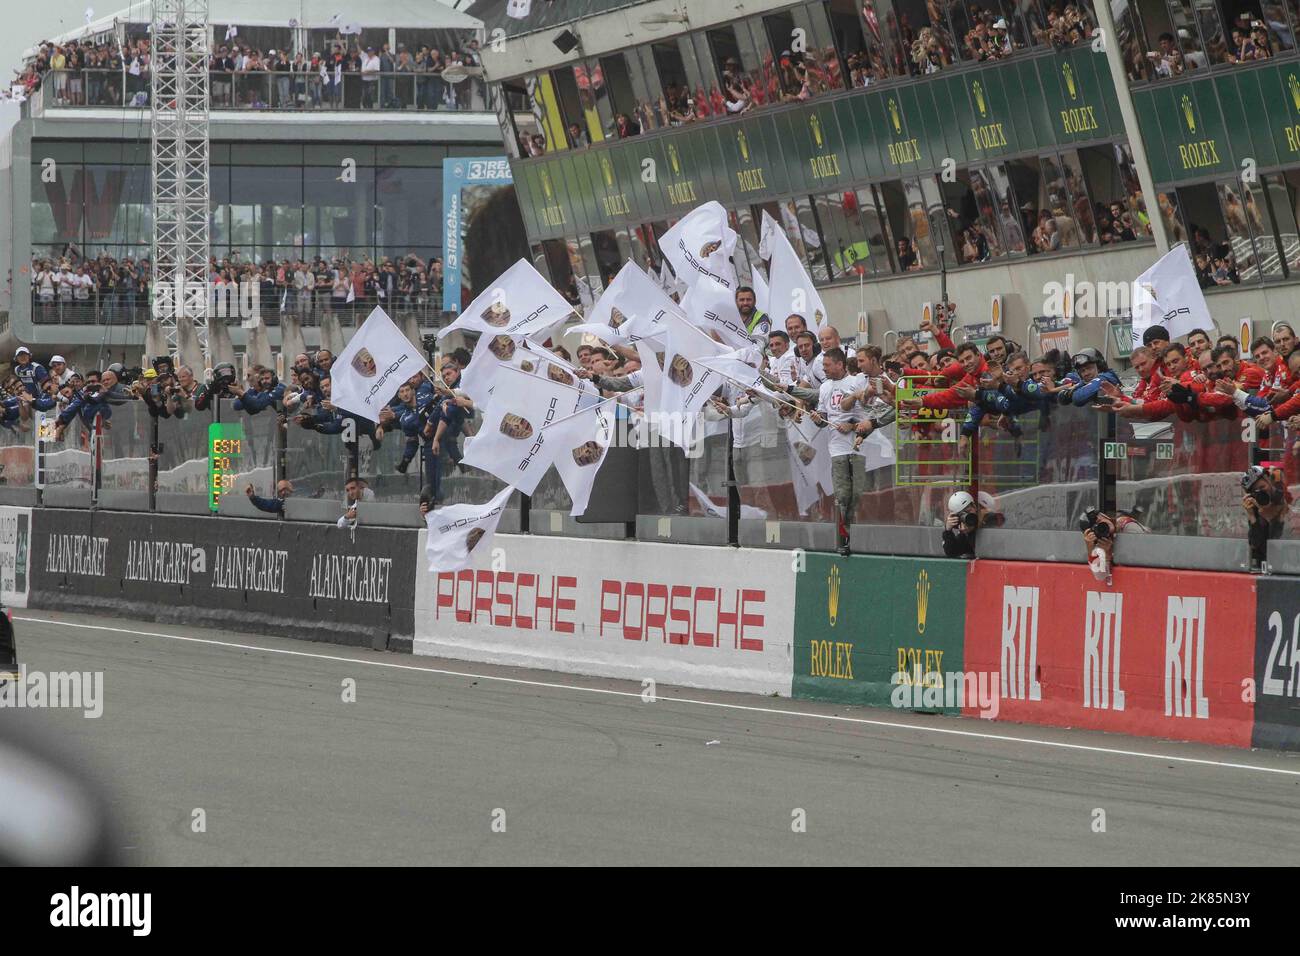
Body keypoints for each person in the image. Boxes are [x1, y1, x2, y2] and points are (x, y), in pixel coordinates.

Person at [810, 347, 866, 556]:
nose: (823, 369)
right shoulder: (825, 387)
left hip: (859, 447)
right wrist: (817, 419)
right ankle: (847, 537)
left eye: (827, 365)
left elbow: (866, 414)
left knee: (859, 494)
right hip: (836, 449)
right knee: (842, 495)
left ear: (840, 364)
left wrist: (851, 426)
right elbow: (824, 417)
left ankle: (861, 535)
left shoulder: (855, 383)